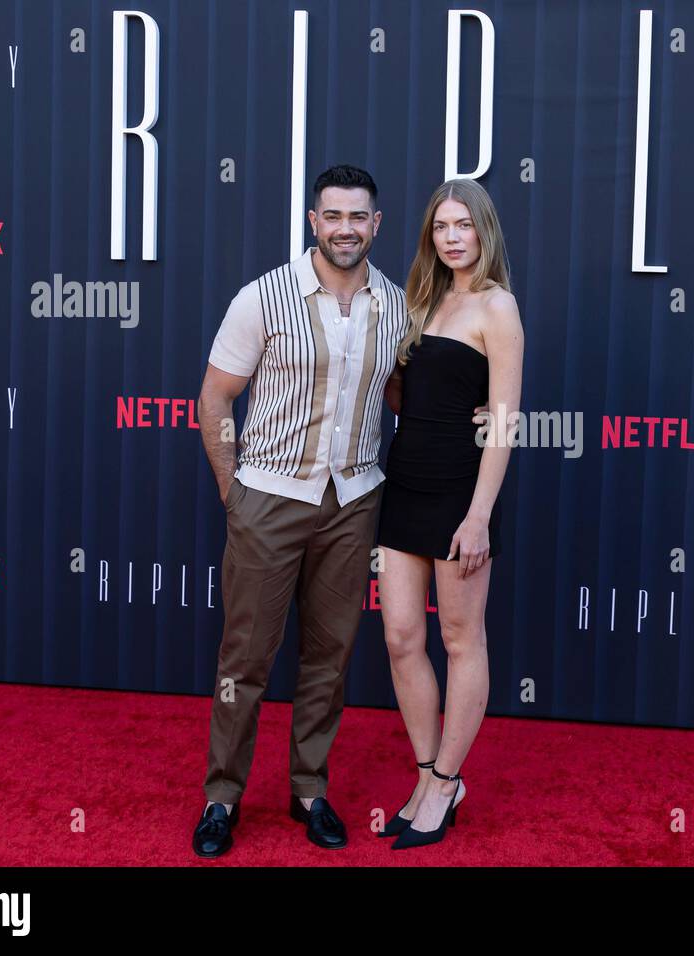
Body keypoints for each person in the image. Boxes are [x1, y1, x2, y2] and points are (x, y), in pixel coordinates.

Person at [191, 165, 410, 857]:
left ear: (377, 225)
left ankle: (309, 788)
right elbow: (215, 400)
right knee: (245, 658)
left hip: (353, 500)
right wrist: (235, 492)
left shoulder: (401, 307)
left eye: (359, 217)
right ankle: (222, 797)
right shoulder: (263, 298)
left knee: (330, 656)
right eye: (333, 216)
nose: (346, 228)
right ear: (313, 221)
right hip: (269, 496)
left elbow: (402, 398)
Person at [374, 178, 524, 849]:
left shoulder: (498, 307)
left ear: (483, 230)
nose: (452, 237)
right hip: (404, 482)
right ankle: (427, 773)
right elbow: (405, 397)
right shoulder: (420, 301)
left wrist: (479, 517)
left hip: (463, 493)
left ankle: (445, 779)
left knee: (461, 640)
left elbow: (502, 422)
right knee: (403, 636)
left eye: (463, 224)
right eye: (441, 227)